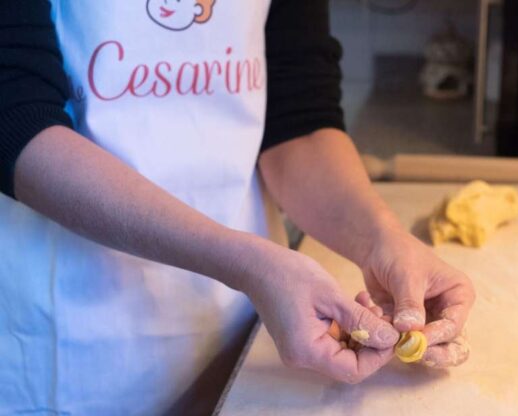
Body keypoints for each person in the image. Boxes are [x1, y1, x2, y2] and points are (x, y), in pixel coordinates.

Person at [0, 0, 475, 414]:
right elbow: (15, 118)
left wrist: (382, 241)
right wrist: (246, 264)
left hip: (244, 330)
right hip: (70, 340)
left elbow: (300, 121)